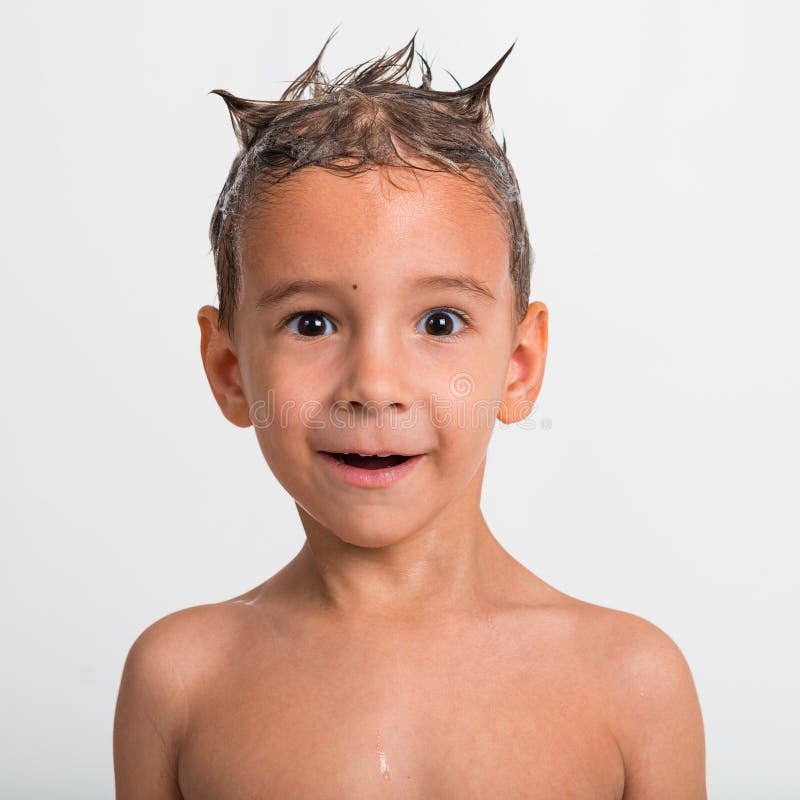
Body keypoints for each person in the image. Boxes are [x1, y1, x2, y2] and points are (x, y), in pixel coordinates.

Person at [113, 29, 707, 799]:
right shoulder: (181, 680)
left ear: (519, 368)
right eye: (312, 323)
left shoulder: (631, 683)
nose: (374, 384)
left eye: (438, 323)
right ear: (229, 371)